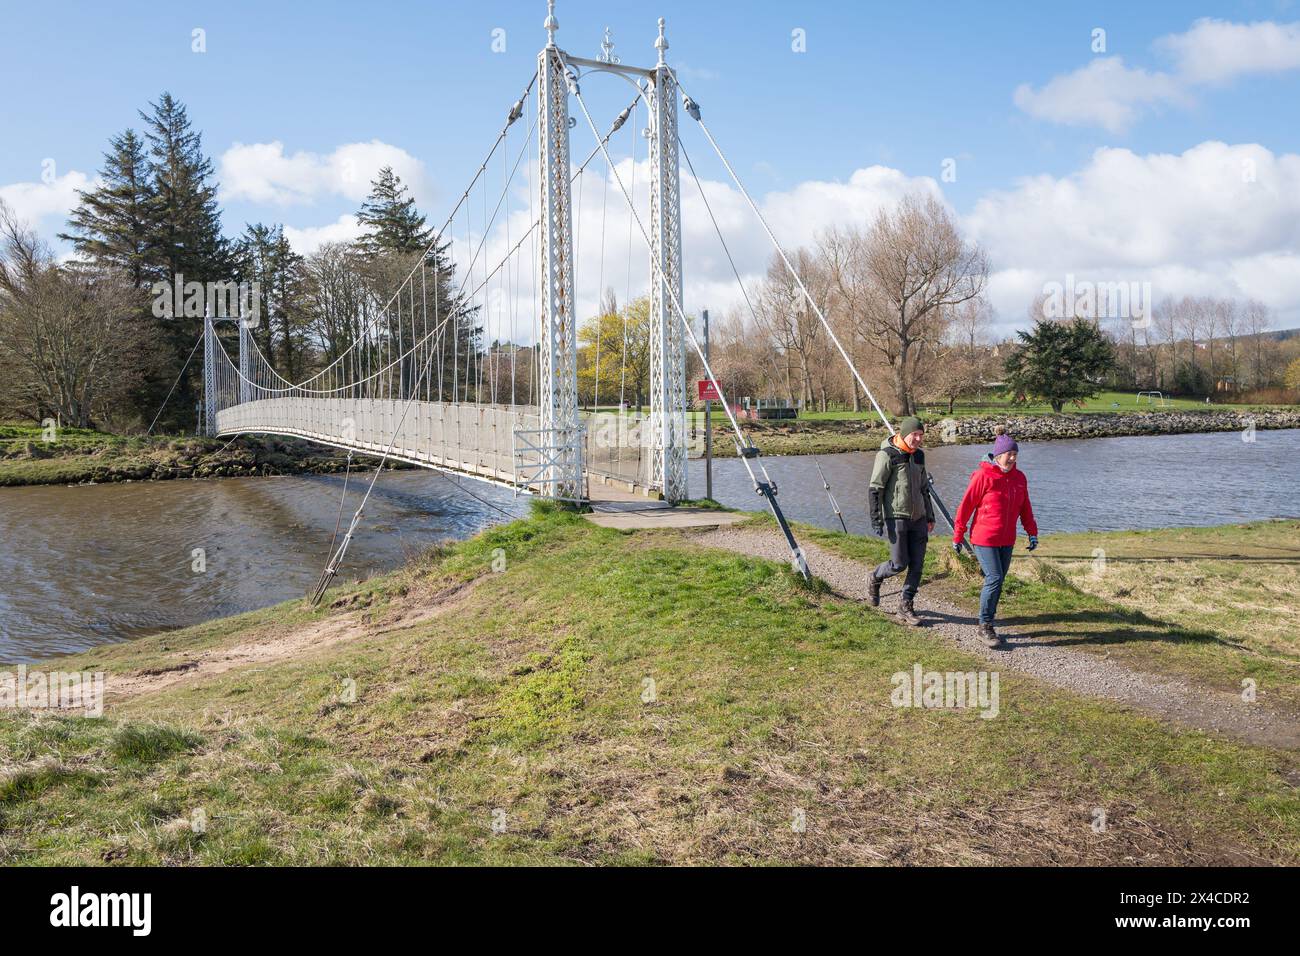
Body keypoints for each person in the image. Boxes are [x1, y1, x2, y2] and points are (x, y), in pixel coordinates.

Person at [952, 425, 1039, 648]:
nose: (1012, 458)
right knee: (994, 578)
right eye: (1009, 454)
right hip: (984, 538)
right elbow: (966, 506)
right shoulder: (983, 476)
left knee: (998, 581)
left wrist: (1032, 532)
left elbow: (1025, 507)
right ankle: (985, 626)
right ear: (998, 455)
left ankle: (988, 618)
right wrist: (958, 535)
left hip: (1007, 539)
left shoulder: (1019, 478)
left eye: (1015, 454)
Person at [867, 416, 935, 626]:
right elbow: (875, 488)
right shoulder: (887, 455)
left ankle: (905, 605)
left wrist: (930, 516)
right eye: (914, 434)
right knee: (899, 564)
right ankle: (876, 577)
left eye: (921, 435)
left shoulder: (919, 456)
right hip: (897, 517)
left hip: (919, 518)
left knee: (917, 564)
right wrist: (876, 518)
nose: (918, 439)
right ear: (904, 433)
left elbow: (924, 489)